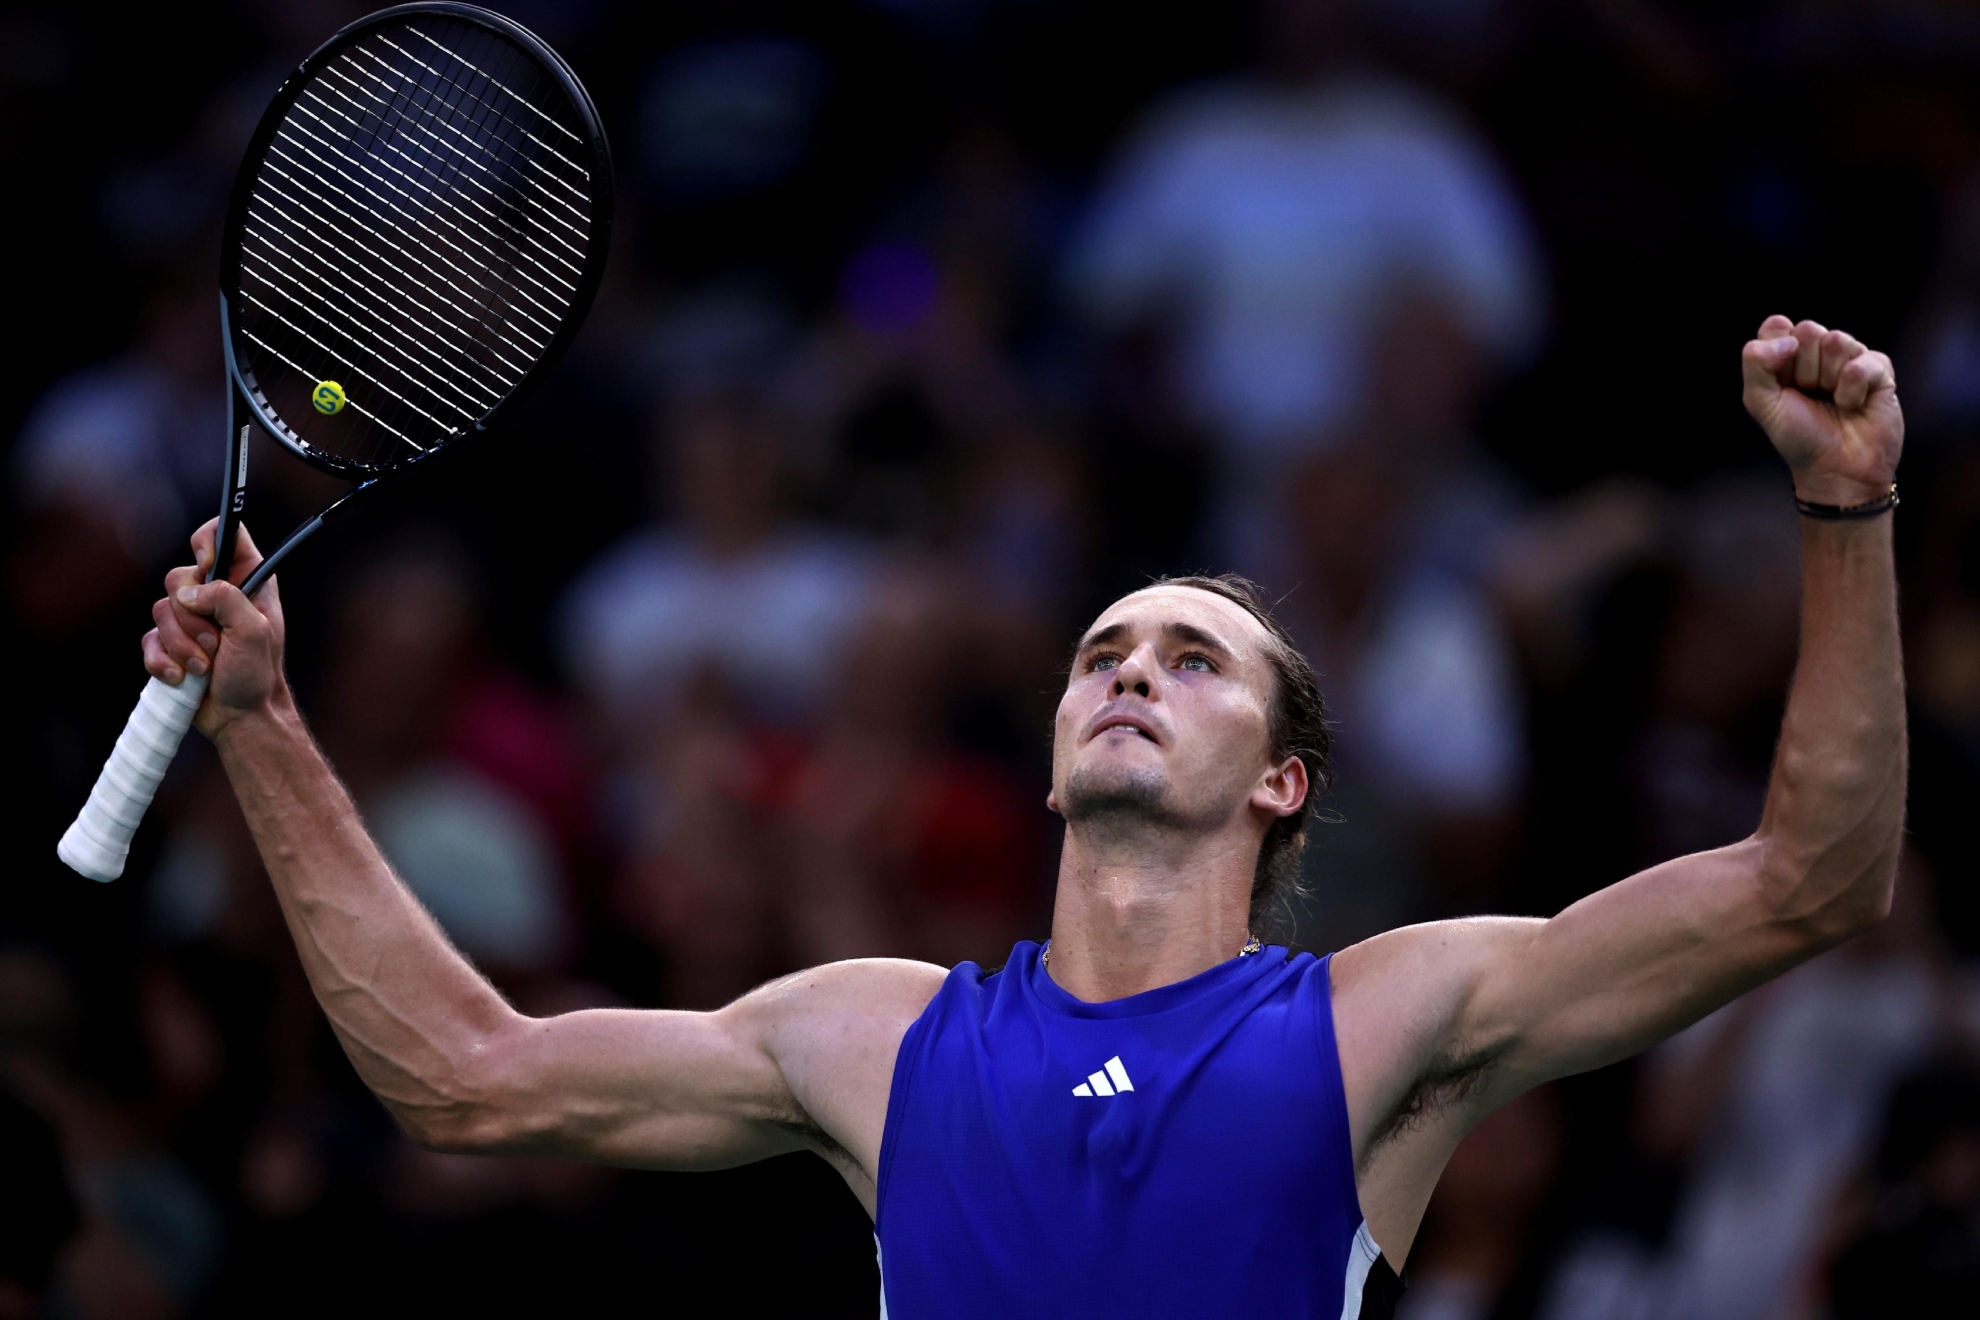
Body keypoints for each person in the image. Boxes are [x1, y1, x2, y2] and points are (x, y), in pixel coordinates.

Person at [136, 317, 1904, 1318]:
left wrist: (1846, 515)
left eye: (1196, 663)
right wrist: (268, 722)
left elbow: (1808, 885)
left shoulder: (1385, 1026)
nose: (1132, 671)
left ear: (1283, 783)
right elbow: (465, 1074)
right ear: (1054, 753)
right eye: (1101, 652)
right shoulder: (872, 1037)